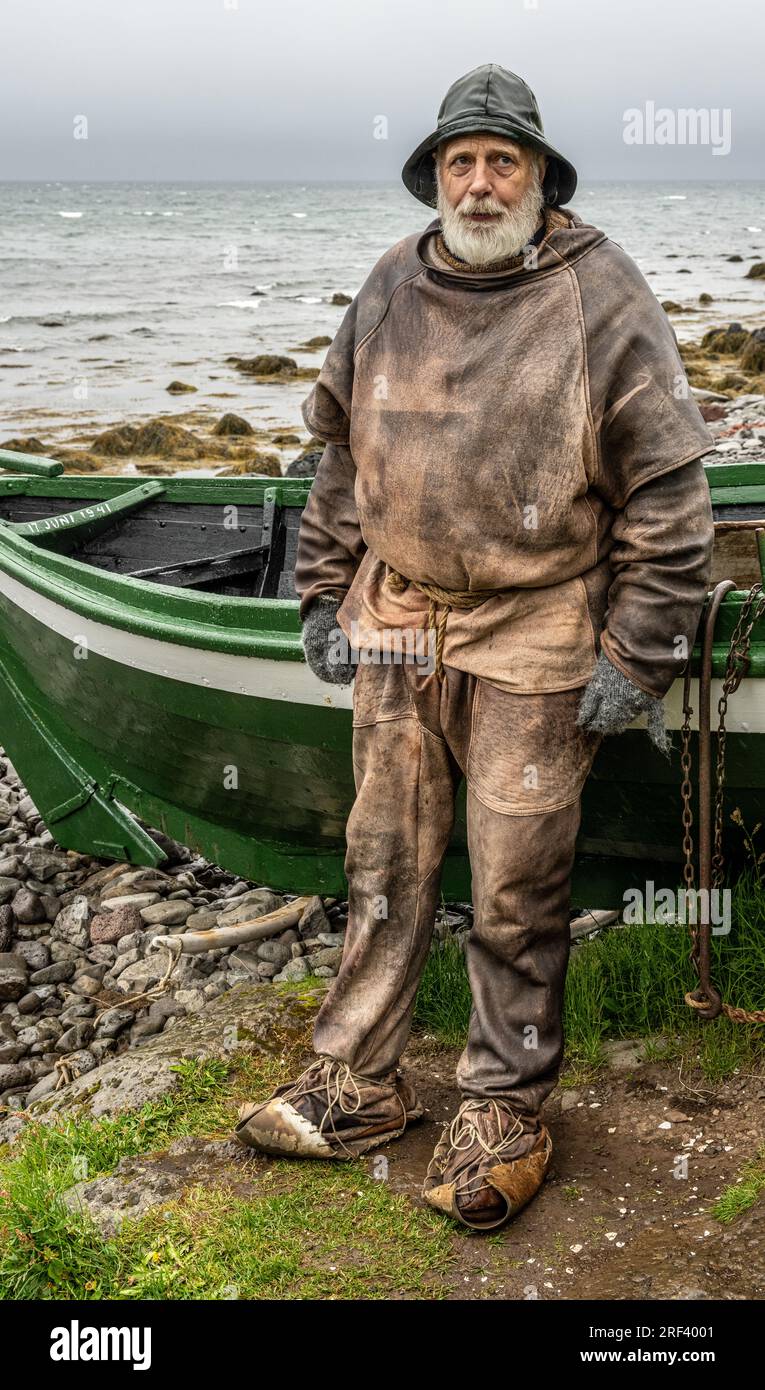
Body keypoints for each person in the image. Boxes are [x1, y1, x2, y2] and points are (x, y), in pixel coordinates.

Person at [234, 63, 716, 1232]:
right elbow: (340, 460)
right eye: (462, 161)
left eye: (506, 160)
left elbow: (670, 494)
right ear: (435, 178)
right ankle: (360, 1078)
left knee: (515, 884)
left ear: (543, 177)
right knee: (383, 864)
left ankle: (505, 1104)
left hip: (537, 628)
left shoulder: (600, 293)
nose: (482, 181)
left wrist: (636, 654)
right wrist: (321, 598)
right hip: (396, 622)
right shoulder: (391, 283)